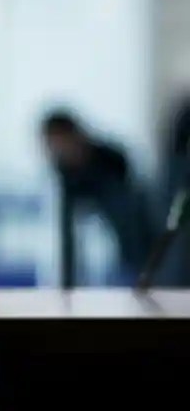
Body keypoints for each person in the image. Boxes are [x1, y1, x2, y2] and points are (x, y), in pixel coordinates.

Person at [41, 109, 155, 286]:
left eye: (60, 141)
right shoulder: (62, 169)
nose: (57, 149)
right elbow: (67, 232)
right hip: (91, 219)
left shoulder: (110, 158)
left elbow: (131, 211)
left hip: (125, 222)